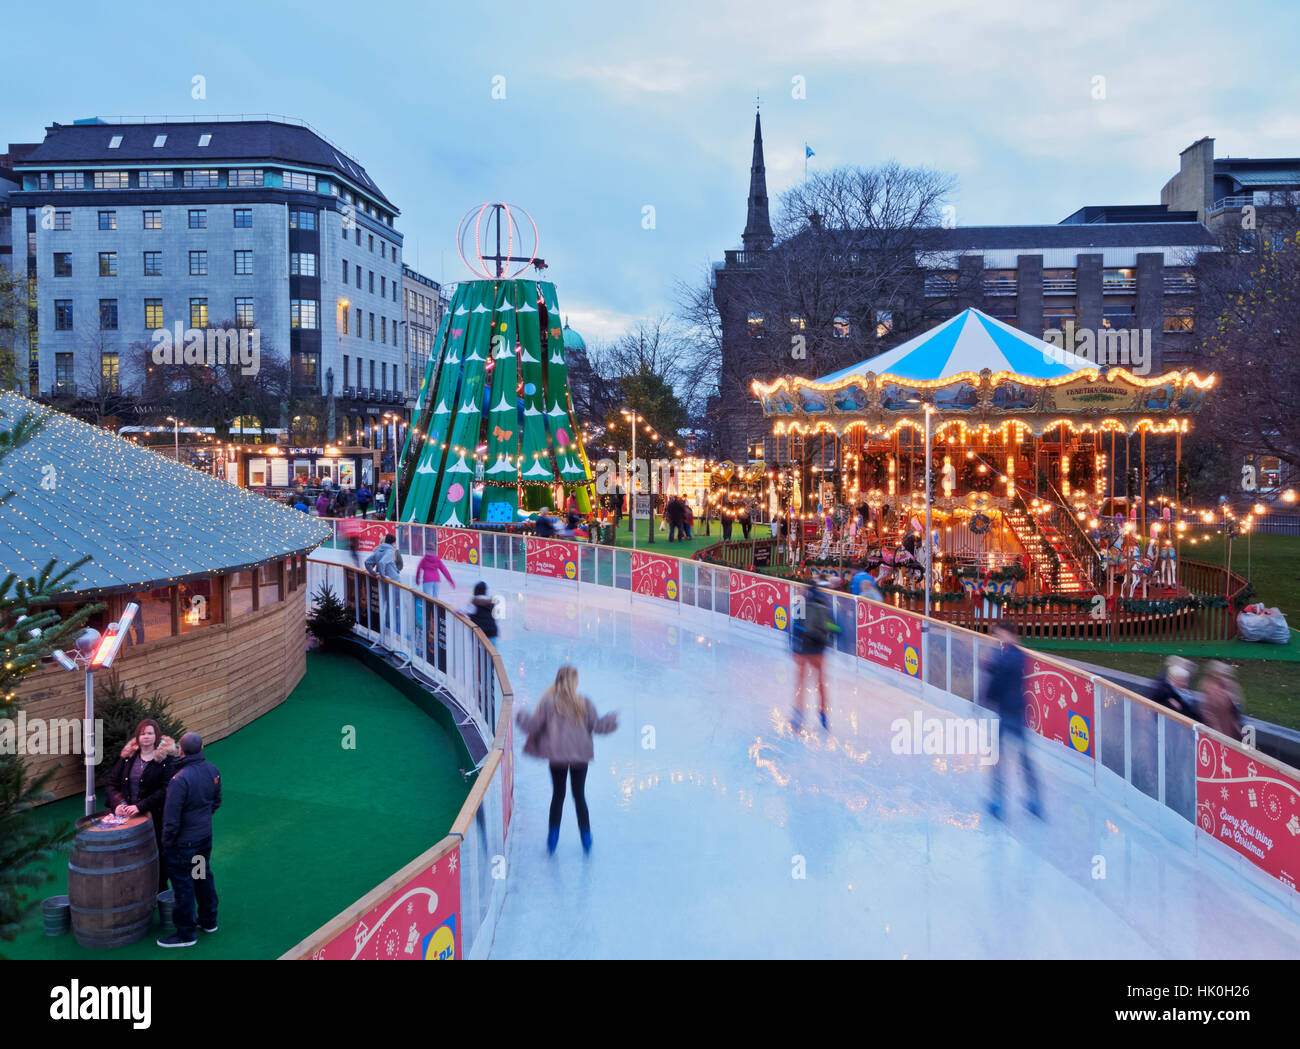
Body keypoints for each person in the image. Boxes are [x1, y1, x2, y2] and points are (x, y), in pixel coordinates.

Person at [515, 665, 618, 854]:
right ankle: (586, 838)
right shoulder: (584, 703)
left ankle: (552, 839)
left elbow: (532, 726)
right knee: (579, 795)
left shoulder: (548, 703)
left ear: (558, 681)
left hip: (557, 758)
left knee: (558, 795)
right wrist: (611, 720)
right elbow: (598, 726)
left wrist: (521, 716)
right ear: (574, 682)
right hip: (580, 757)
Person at [157, 732, 221, 948]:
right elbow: (216, 801)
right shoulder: (213, 770)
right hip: (203, 841)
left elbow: (171, 818)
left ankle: (186, 934)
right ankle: (209, 921)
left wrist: (167, 842)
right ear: (202, 747)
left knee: (183, 886)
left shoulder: (180, 779)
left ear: (181, 751)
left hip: (183, 845)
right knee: (201, 877)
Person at [107, 720, 179, 891]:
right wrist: (118, 803)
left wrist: (141, 806)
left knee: (157, 856)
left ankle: (159, 891)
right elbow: (111, 783)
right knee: (129, 856)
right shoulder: (128, 759)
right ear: (137, 736)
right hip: (128, 819)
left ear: (156, 736)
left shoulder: (166, 761)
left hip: (155, 817)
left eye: (150, 733)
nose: (146, 737)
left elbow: (167, 788)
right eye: (142, 733)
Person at [984, 620, 1043, 820]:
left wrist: (991, 665)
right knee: (1001, 758)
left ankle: (1033, 800)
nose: (999, 638)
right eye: (997, 635)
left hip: (1014, 713)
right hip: (1005, 712)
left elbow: (1002, 674)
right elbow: (998, 676)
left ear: (1010, 635)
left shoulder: (1014, 656)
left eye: (1001, 634)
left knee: (1019, 758)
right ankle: (999, 800)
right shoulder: (1006, 655)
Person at [791, 580, 837, 730]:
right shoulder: (823, 604)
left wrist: (793, 648)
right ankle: (823, 715)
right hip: (818, 650)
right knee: (820, 682)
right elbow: (833, 626)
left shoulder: (801, 604)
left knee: (801, 682)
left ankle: (799, 714)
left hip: (804, 649)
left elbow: (795, 626)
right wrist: (828, 643)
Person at [364, 533, 404, 634]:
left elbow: (367, 562)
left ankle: (387, 625)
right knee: (395, 604)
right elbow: (382, 562)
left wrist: (374, 573)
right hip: (393, 582)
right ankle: (393, 628)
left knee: (387, 602)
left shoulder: (379, 550)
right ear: (394, 542)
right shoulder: (390, 551)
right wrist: (383, 575)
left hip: (386, 582)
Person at [1200, 661, 1244, 739]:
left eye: (1226, 675)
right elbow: (1207, 712)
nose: (1224, 678)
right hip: (1217, 732)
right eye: (1222, 675)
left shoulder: (1231, 686)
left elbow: (1237, 705)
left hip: (1231, 729)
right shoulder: (1209, 688)